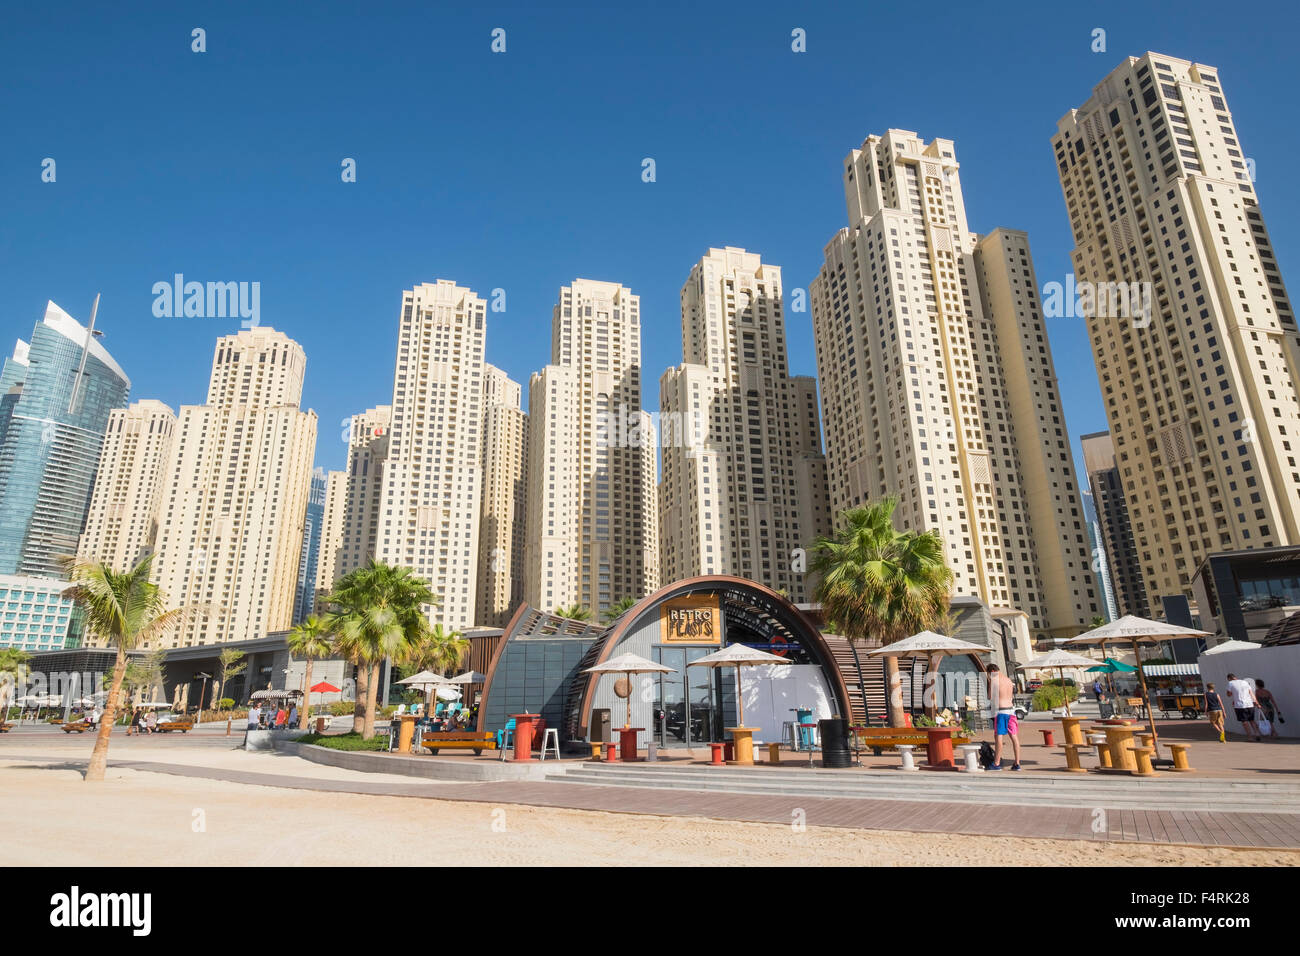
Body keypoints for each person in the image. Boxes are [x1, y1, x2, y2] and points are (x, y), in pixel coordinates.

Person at [986, 663, 1021, 771]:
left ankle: (996, 763)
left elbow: (989, 697)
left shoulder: (995, 680)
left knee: (998, 737)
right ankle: (1017, 763)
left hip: (1001, 712)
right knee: (1014, 737)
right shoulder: (1008, 680)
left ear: (992, 671)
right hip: (1011, 711)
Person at [1225, 673, 1261, 741]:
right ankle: (1257, 734)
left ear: (1229, 678)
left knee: (1244, 722)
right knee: (1252, 720)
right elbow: (1251, 693)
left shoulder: (1230, 683)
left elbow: (1228, 694)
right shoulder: (1245, 682)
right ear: (1235, 677)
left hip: (1240, 705)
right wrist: (1257, 703)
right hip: (1250, 704)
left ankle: (1250, 737)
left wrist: (1233, 693)